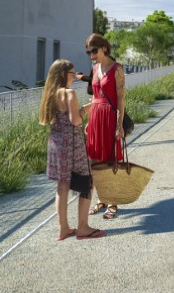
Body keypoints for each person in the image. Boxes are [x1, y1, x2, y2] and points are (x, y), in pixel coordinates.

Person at [40, 59, 104, 240]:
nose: (74, 78)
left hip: (56, 145)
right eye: (71, 74)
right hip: (72, 145)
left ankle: (64, 229)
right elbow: (75, 120)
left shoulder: (50, 95)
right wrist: (86, 108)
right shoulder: (69, 93)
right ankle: (83, 227)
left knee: (62, 187)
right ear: (62, 75)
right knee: (86, 182)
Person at [78, 33, 125, 221]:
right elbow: (96, 97)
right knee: (96, 162)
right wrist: (88, 117)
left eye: (94, 51)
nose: (92, 55)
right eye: (89, 52)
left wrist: (119, 125)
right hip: (96, 118)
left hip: (110, 119)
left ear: (104, 48)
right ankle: (102, 199)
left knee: (111, 161)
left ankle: (113, 202)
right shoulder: (95, 68)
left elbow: (121, 99)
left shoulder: (117, 69)